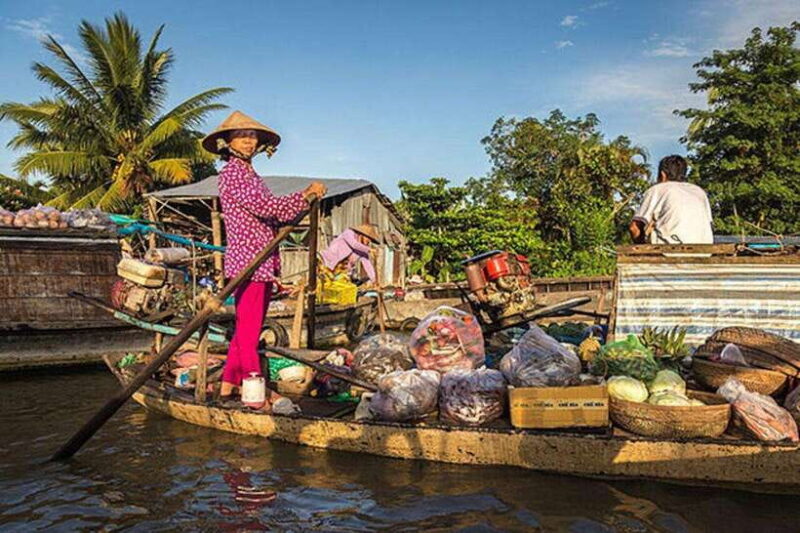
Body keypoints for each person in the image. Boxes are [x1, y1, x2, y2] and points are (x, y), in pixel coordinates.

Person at [202, 110, 327, 401]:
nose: (249, 141)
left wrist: (299, 201)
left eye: (252, 136)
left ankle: (227, 387)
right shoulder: (232, 174)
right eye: (242, 136)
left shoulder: (250, 174)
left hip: (262, 261)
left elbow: (268, 212)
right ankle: (257, 391)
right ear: (228, 142)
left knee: (247, 328)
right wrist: (305, 194)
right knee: (248, 332)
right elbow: (267, 208)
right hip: (250, 262)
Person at [629, 155, 713, 244]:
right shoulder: (699, 192)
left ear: (663, 174)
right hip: (703, 254)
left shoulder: (658, 189)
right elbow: (709, 225)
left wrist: (641, 246)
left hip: (668, 254)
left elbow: (634, 228)